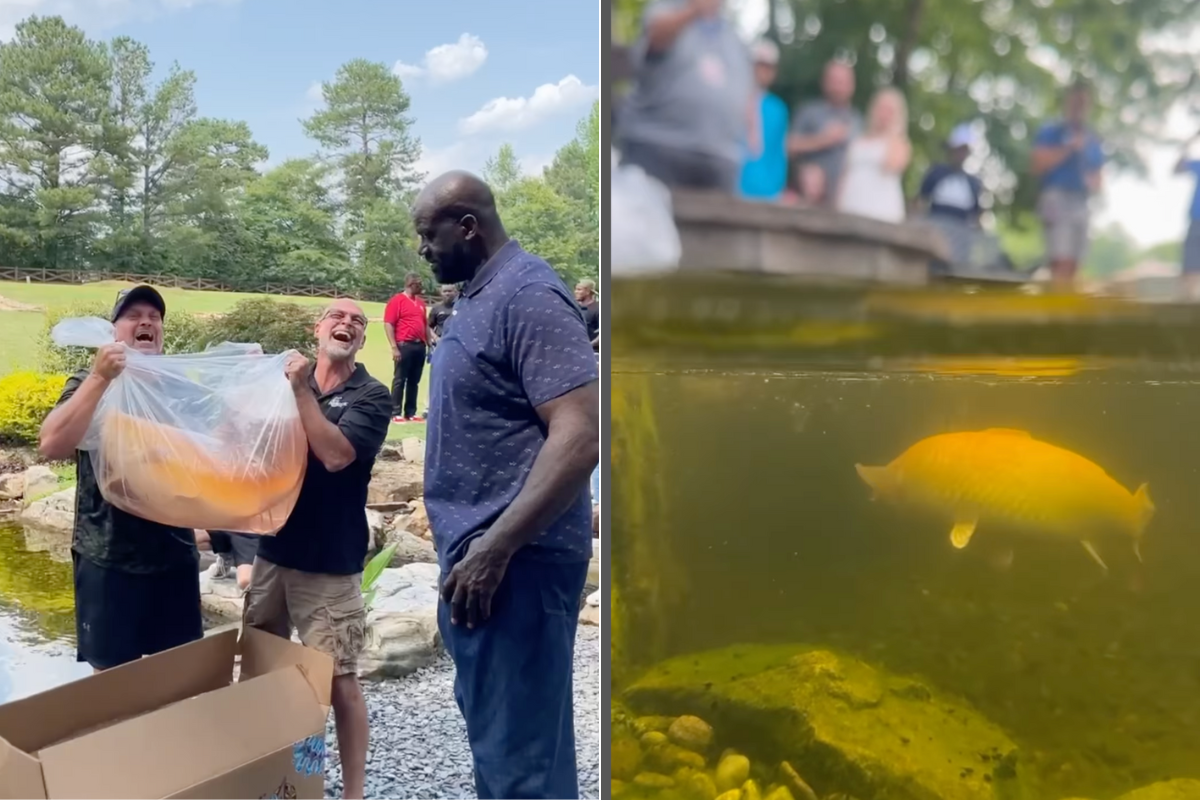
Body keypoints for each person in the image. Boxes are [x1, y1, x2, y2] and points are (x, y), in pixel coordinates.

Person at [411, 171, 599, 800]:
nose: (422, 250)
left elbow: (581, 436)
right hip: (482, 563)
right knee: (503, 746)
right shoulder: (478, 295)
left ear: (467, 226)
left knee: (522, 764)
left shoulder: (529, 295)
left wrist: (495, 550)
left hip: (518, 564)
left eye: (426, 234)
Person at [243, 298, 392, 800]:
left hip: (331, 563)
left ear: (363, 339)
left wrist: (300, 389)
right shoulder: (282, 387)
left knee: (339, 680)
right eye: (337, 316)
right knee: (261, 666)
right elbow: (246, 448)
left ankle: (352, 793)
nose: (346, 324)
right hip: (273, 553)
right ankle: (268, 775)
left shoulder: (371, 395)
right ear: (317, 328)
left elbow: (335, 455)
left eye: (357, 321)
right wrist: (249, 388)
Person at [38, 286, 203, 673]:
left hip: (174, 555)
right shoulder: (89, 381)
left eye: (154, 316)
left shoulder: (179, 388)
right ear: (115, 332)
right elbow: (52, 444)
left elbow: (224, 444)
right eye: (133, 315)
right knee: (111, 683)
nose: (146, 321)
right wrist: (100, 377)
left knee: (177, 676)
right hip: (107, 555)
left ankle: (167, 736)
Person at [616, 0, 756, 193]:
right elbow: (656, 38)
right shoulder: (665, 10)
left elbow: (746, 90)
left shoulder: (735, 39)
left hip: (719, 159)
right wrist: (695, 11)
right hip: (658, 148)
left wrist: (751, 130)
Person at [1031, 80, 1106, 289]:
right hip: (1056, 196)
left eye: (1084, 103)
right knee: (1060, 260)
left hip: (1081, 201)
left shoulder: (1093, 139)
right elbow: (1037, 165)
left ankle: (1063, 308)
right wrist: (1068, 148)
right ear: (1068, 102)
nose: (1079, 107)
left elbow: (1098, 180)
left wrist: (1089, 177)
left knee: (1075, 262)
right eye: (1076, 102)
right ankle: (1056, 312)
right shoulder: (1051, 131)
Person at [788, 60, 863, 206]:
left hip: (847, 202)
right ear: (824, 82)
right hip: (808, 201)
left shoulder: (858, 120)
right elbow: (789, 146)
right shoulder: (809, 112)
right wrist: (823, 139)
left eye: (842, 81)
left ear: (852, 85)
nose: (838, 86)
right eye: (834, 80)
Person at [836, 87, 911, 223]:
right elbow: (845, 174)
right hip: (850, 207)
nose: (884, 115)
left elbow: (892, 165)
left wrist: (892, 133)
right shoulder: (858, 140)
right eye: (882, 108)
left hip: (881, 211)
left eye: (890, 111)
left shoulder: (899, 143)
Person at [739, 39, 789, 202]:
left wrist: (777, 189)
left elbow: (779, 152)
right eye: (759, 65)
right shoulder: (734, 100)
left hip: (768, 194)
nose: (763, 71)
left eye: (769, 67)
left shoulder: (778, 108)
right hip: (734, 188)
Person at [383, 273, 429, 423]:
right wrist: (394, 347)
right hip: (404, 345)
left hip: (419, 345)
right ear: (411, 284)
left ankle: (410, 412)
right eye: (419, 284)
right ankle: (395, 412)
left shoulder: (421, 303)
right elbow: (389, 323)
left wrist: (429, 342)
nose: (421, 287)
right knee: (400, 379)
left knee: (414, 381)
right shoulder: (397, 301)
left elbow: (425, 324)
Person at [1173, 132, 1200, 300]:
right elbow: (1177, 169)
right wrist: (1188, 144)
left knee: (1190, 270)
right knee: (1189, 270)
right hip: (1196, 221)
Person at [428, 283, 459, 349]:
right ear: (441, 293)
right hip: (440, 342)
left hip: (456, 342)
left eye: (450, 291)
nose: (447, 293)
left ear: (455, 292)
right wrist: (436, 338)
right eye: (445, 291)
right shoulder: (436, 308)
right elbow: (428, 327)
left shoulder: (460, 307)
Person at [575, 278, 600, 351]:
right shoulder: (574, 308)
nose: (576, 292)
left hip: (593, 352)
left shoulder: (597, 309)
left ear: (588, 292)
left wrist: (588, 346)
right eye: (576, 289)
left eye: (579, 290)